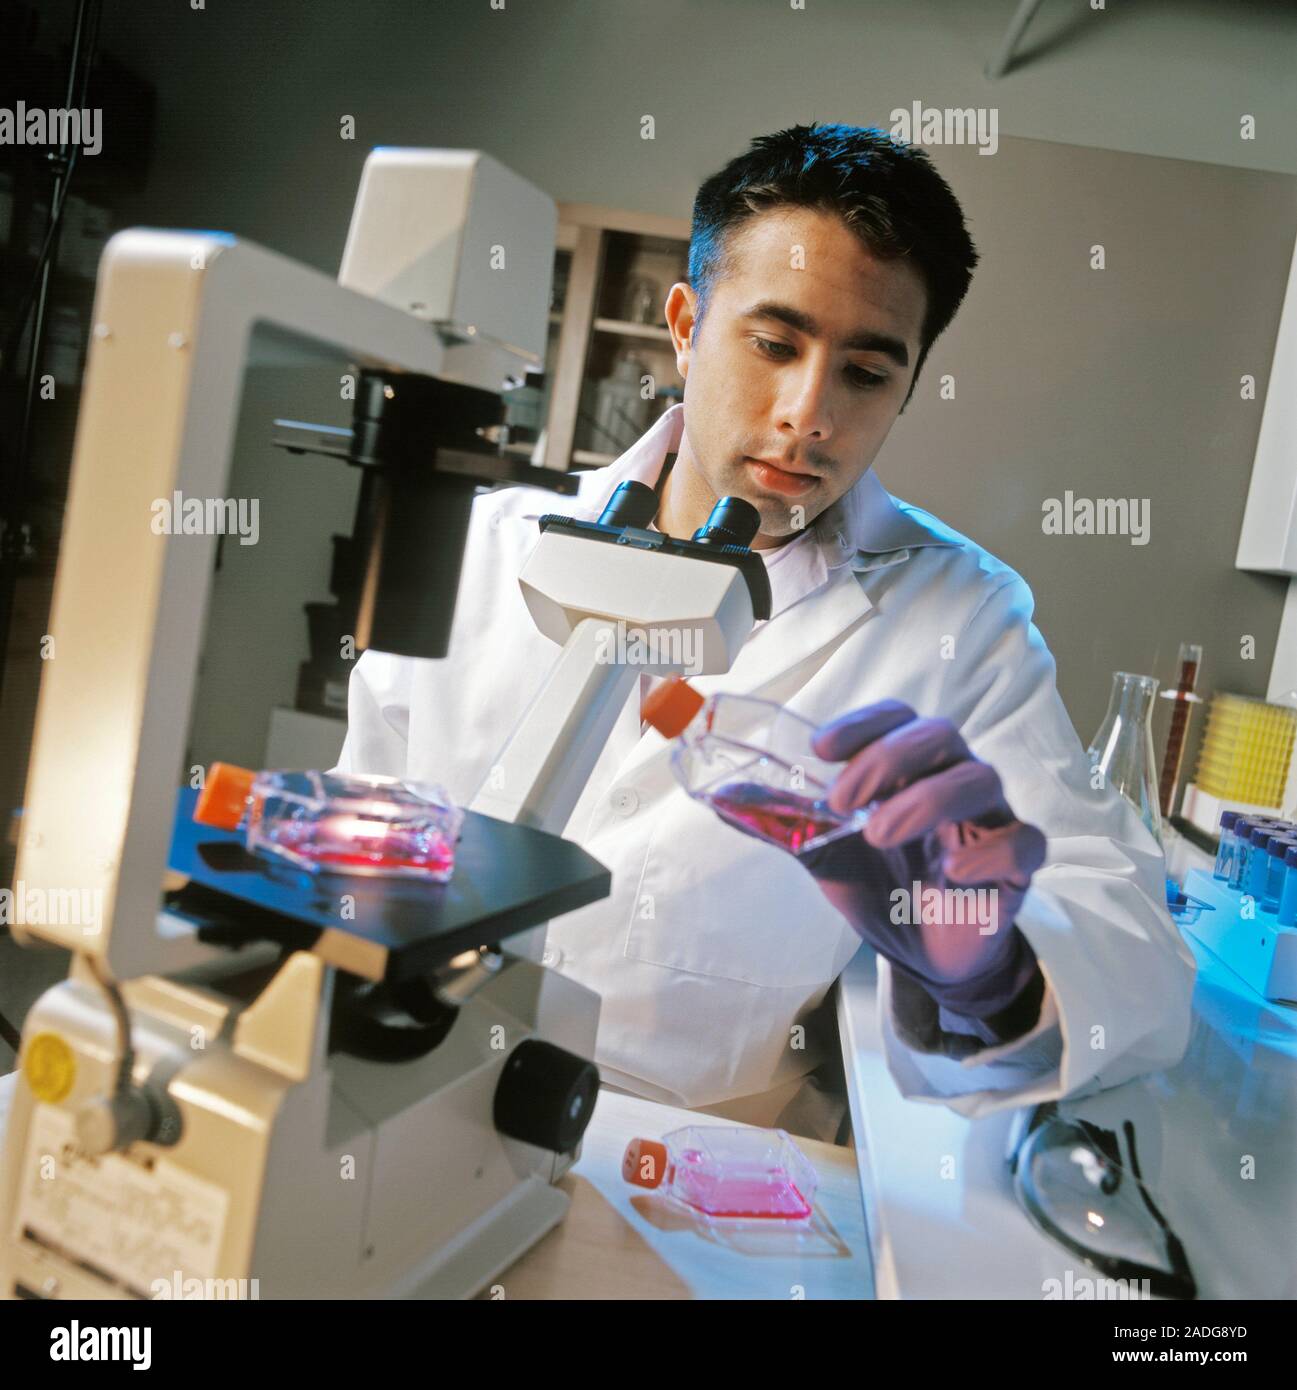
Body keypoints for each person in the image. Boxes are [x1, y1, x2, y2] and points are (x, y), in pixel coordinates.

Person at [335, 122, 1195, 1140]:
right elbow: (352, 834)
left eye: (866, 374)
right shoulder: (485, 543)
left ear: (909, 383)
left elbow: (1136, 951)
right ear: (686, 324)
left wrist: (993, 966)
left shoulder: (960, 615)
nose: (808, 412)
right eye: (774, 344)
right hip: (392, 1101)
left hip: (698, 1170)